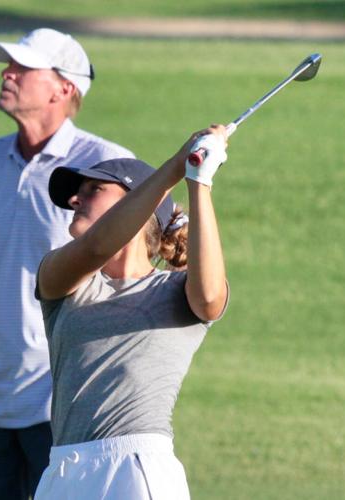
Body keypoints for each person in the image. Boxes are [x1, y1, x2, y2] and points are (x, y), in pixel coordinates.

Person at [0, 28, 134, 499]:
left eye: (23, 68)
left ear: (64, 88)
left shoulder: (105, 165)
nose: (7, 73)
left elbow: (152, 254)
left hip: (63, 406)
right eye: (9, 66)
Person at [32, 126, 231, 499]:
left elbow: (208, 297)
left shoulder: (174, 290)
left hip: (137, 472)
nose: (75, 199)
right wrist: (174, 167)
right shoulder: (62, 279)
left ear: (138, 205)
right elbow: (96, 249)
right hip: (63, 470)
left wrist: (198, 182)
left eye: (94, 189)